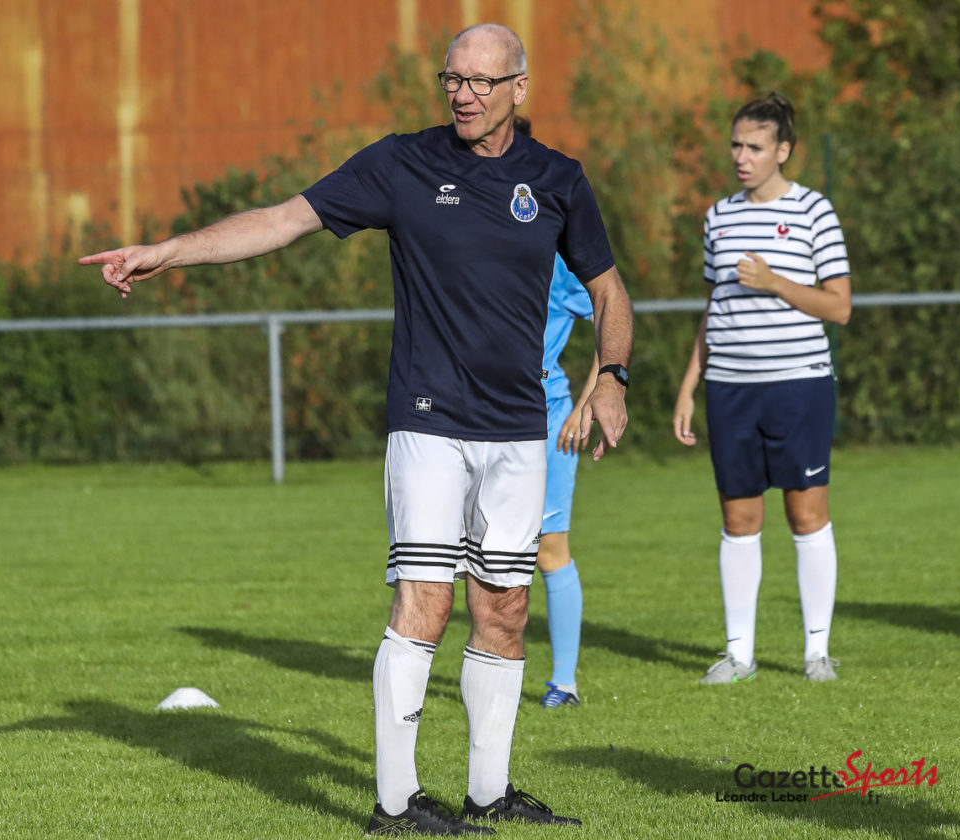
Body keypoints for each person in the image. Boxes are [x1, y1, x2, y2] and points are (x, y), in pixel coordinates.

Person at [82, 23, 633, 835]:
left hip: (520, 429)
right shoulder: (402, 164)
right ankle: (396, 804)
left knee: (506, 607)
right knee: (425, 602)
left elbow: (611, 292)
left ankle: (490, 793)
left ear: (520, 87)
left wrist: (611, 376)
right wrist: (171, 251)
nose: (465, 95)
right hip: (429, 422)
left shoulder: (558, 181)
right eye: (453, 78)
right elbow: (281, 219)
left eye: (483, 82)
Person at [672, 92, 851, 686]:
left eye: (754, 146)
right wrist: (690, 385)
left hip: (798, 387)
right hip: (730, 390)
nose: (741, 157)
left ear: (783, 150)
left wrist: (774, 281)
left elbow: (840, 307)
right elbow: (712, 306)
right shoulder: (719, 216)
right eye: (735, 145)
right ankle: (739, 655)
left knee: (806, 515)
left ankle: (816, 653)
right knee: (739, 517)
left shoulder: (814, 211)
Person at [514, 116, 601, 711]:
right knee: (481, 557)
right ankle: (491, 671)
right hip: (479, 416)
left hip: (546, 418)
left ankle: (563, 683)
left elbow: (613, 314)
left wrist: (592, 401)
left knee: (549, 548)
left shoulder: (557, 256)